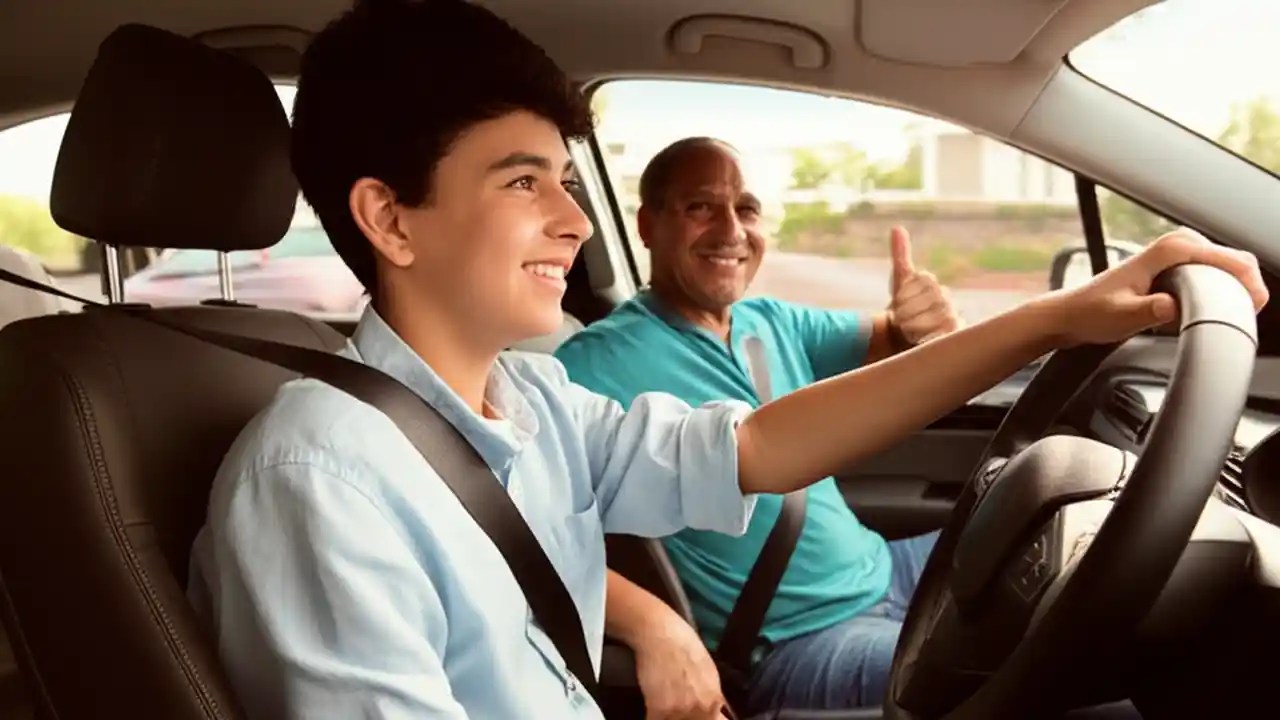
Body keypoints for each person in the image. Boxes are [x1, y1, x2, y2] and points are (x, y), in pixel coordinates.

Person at [185, 1, 1268, 719]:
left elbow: (754, 444)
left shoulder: (532, 400)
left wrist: (1052, 319)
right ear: (389, 217)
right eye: (522, 183)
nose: (573, 222)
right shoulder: (318, 483)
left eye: (568, 182)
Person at [555, 136, 963, 716]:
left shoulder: (772, 321)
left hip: (883, 570)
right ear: (647, 226)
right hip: (797, 642)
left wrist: (922, 322)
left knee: (1057, 546)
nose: (731, 231)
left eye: (746, 209)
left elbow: (897, 338)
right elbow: (526, 534)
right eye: (701, 207)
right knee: (1032, 670)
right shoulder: (591, 364)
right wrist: (655, 627)